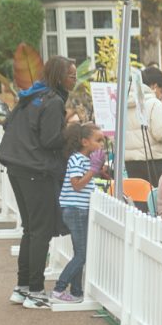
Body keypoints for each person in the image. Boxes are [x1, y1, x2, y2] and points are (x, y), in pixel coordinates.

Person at [0, 55, 78, 308]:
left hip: (17, 166)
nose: (74, 79)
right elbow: (50, 140)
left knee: (31, 230)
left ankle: (22, 287)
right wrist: (73, 131)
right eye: (71, 75)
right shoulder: (52, 102)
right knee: (40, 231)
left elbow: (10, 123)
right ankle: (35, 290)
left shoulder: (31, 95)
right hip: (36, 169)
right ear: (59, 77)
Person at [51, 123, 106, 303]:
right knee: (82, 254)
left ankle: (76, 292)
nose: (102, 145)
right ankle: (59, 289)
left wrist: (97, 169)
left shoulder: (86, 160)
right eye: (98, 141)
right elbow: (77, 185)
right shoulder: (77, 159)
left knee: (79, 252)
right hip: (76, 210)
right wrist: (93, 170)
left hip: (80, 209)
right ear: (84, 142)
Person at [120, 66, 162, 187]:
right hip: (154, 161)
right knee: (156, 201)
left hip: (130, 162)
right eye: (161, 90)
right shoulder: (155, 104)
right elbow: (160, 134)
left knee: (138, 200)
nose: (161, 94)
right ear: (154, 86)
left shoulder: (123, 104)